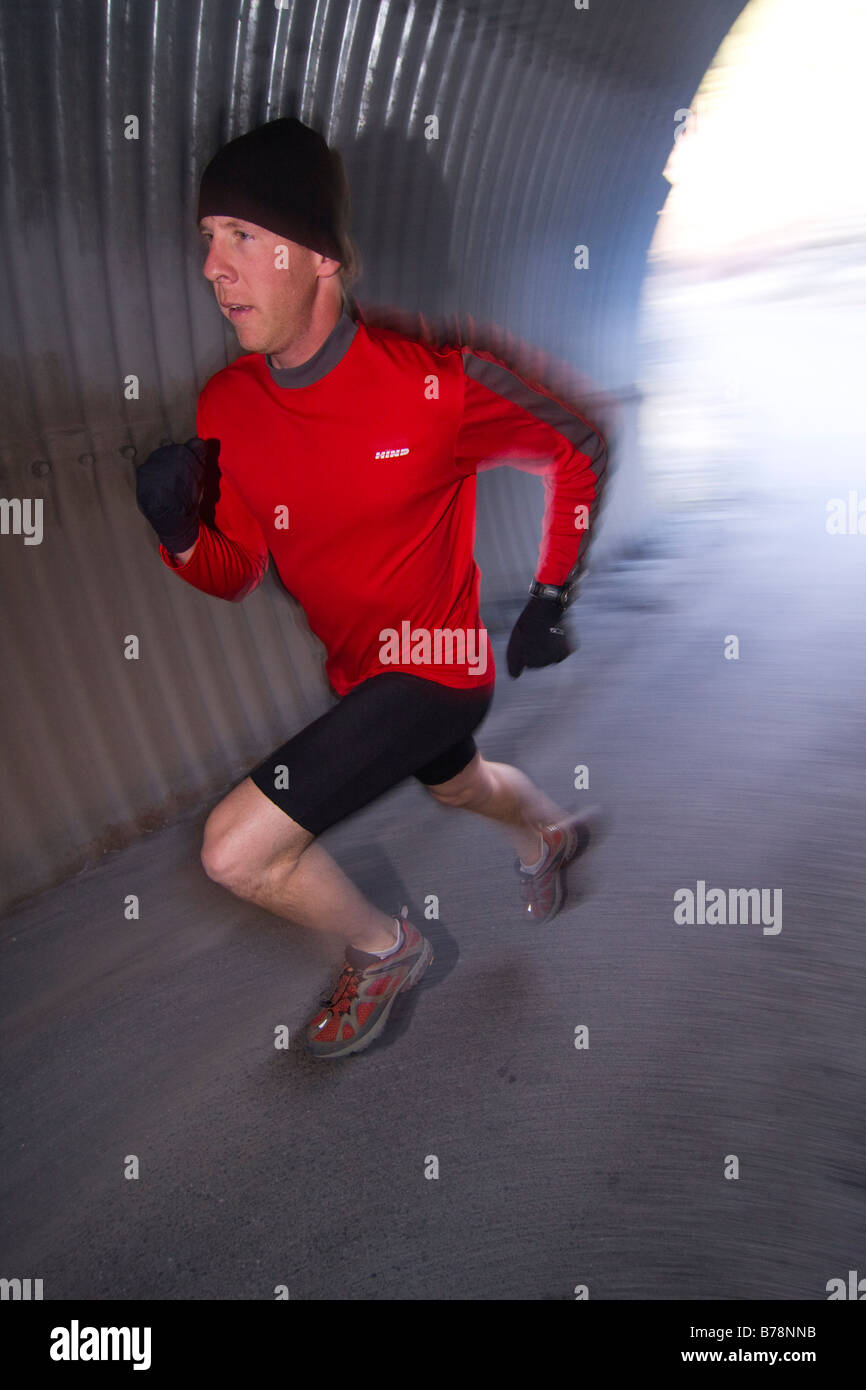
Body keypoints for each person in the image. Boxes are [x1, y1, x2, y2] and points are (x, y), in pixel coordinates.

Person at [135, 116, 607, 1060]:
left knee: (235, 849)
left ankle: (384, 951)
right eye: (206, 241)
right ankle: (548, 834)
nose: (212, 268)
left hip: (439, 664)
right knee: (460, 789)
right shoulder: (227, 408)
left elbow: (578, 445)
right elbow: (236, 572)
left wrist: (554, 592)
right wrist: (180, 534)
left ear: (320, 257)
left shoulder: (436, 382)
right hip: (361, 678)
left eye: (242, 238)